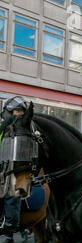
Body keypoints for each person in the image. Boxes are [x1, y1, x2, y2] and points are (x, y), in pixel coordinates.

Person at [0, 96, 28, 235]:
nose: (19, 114)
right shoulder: (4, 128)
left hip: (17, 164)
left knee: (12, 187)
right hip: (3, 162)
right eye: (17, 111)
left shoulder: (22, 128)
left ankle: (11, 221)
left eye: (20, 111)